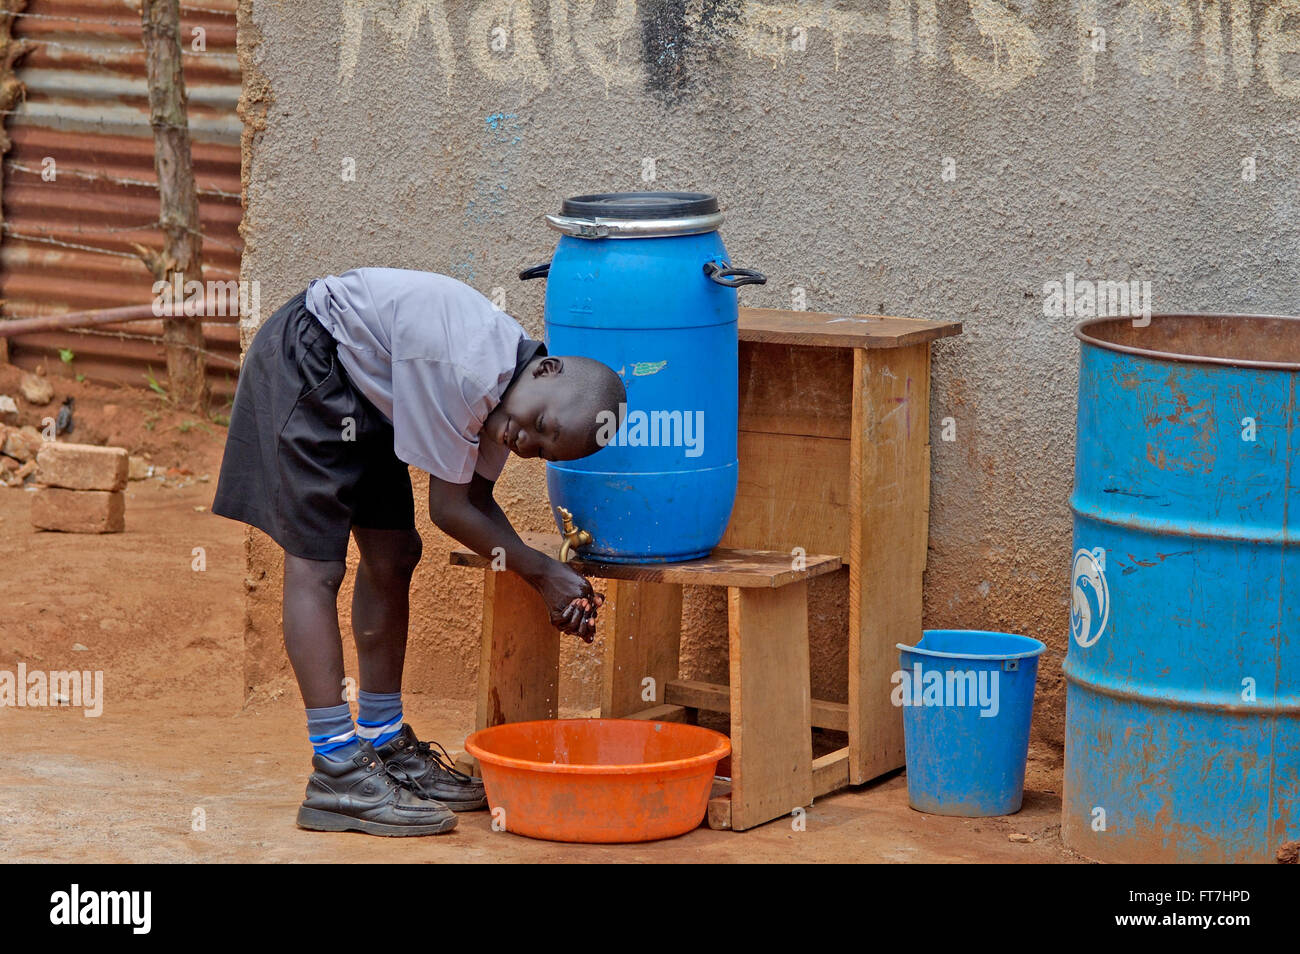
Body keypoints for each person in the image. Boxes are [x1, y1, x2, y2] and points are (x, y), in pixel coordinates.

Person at [212, 267, 625, 836]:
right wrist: (542, 571)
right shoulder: (471, 369)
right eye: (543, 426)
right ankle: (336, 766)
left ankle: (383, 740)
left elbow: (474, 502)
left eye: (542, 451)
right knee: (317, 565)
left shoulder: (508, 394)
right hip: (311, 363)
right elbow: (450, 511)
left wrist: (546, 579)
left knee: (395, 552)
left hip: (366, 394)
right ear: (548, 368)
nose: (527, 442)